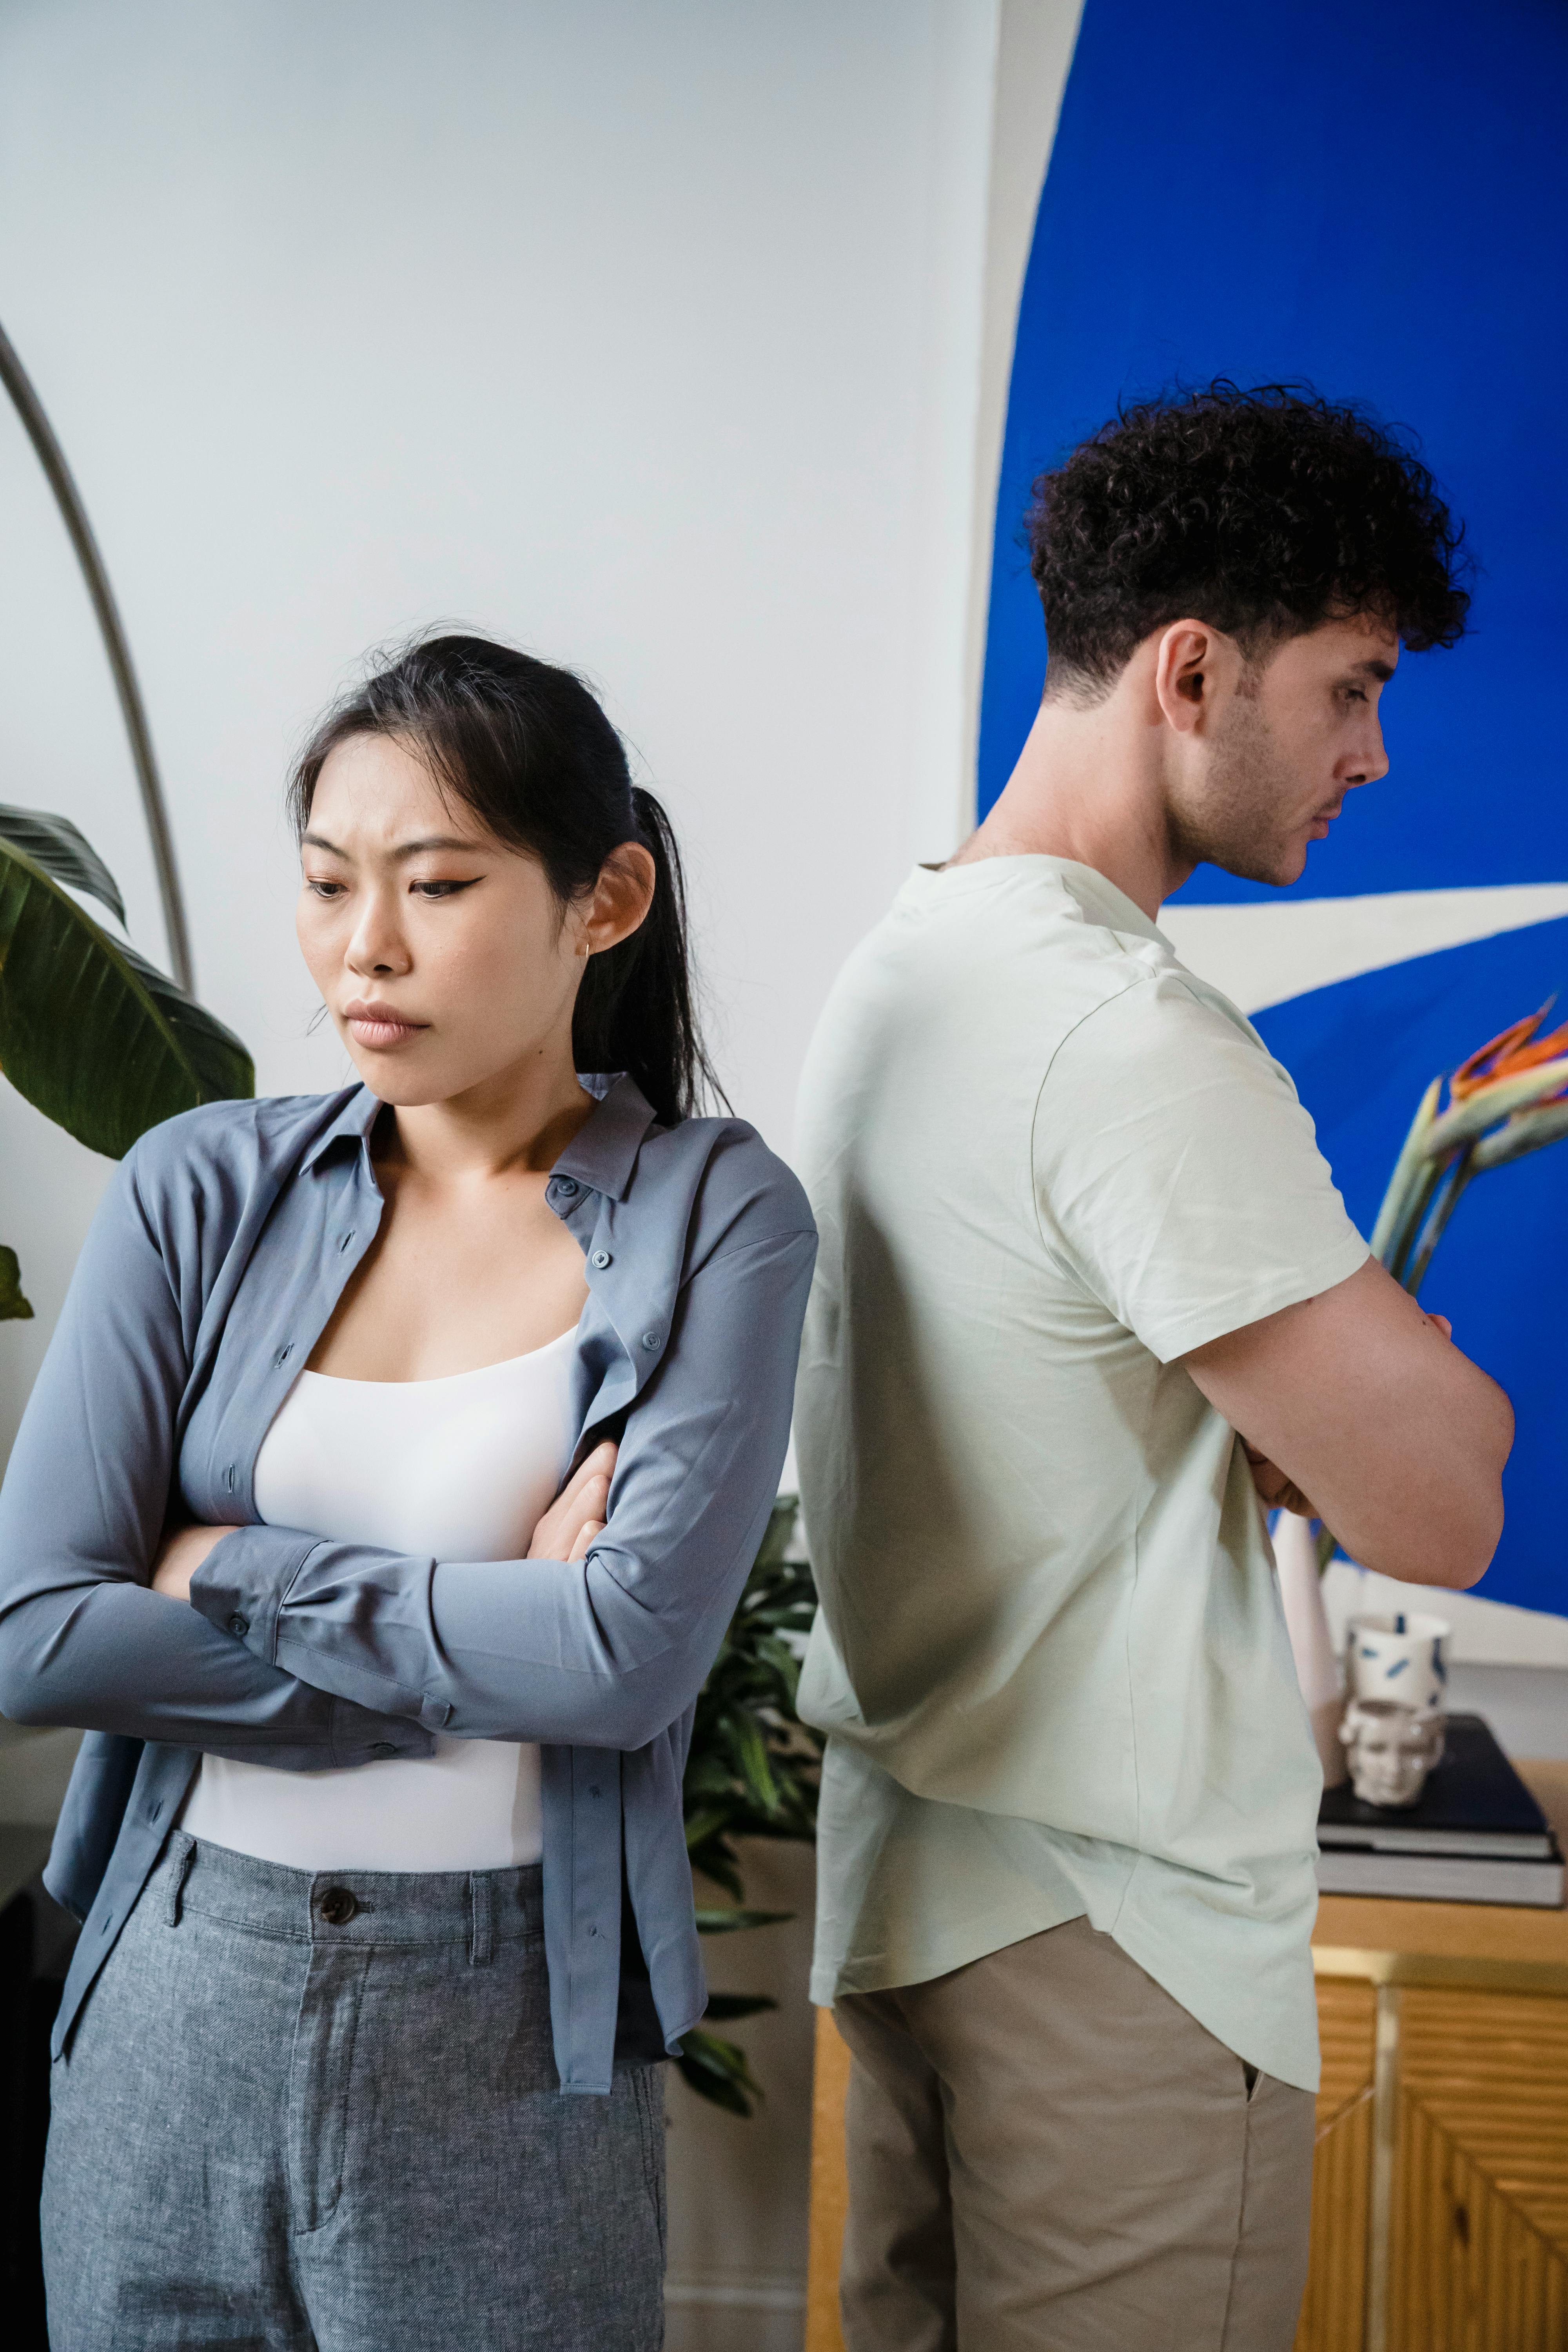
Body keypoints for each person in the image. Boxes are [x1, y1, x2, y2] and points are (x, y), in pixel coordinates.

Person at [793, 383, 1514, 2351]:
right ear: (1191, 674)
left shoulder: (908, 964)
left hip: (927, 1891)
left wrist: (1274, 1418)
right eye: (1351, 689)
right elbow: (1443, 1508)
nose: (1371, 754)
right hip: (1112, 1957)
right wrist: (1395, 1399)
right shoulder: (1126, 1035)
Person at [0, 633, 816, 2352]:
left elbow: (622, 1664)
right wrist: (476, 1655)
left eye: (437, 885)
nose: (363, 946)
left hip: (507, 2048)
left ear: (604, 901)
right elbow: (32, 1631)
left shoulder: (718, 1214)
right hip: (169, 2006)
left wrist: (224, 1567)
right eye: (327, 883)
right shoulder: (194, 1187)